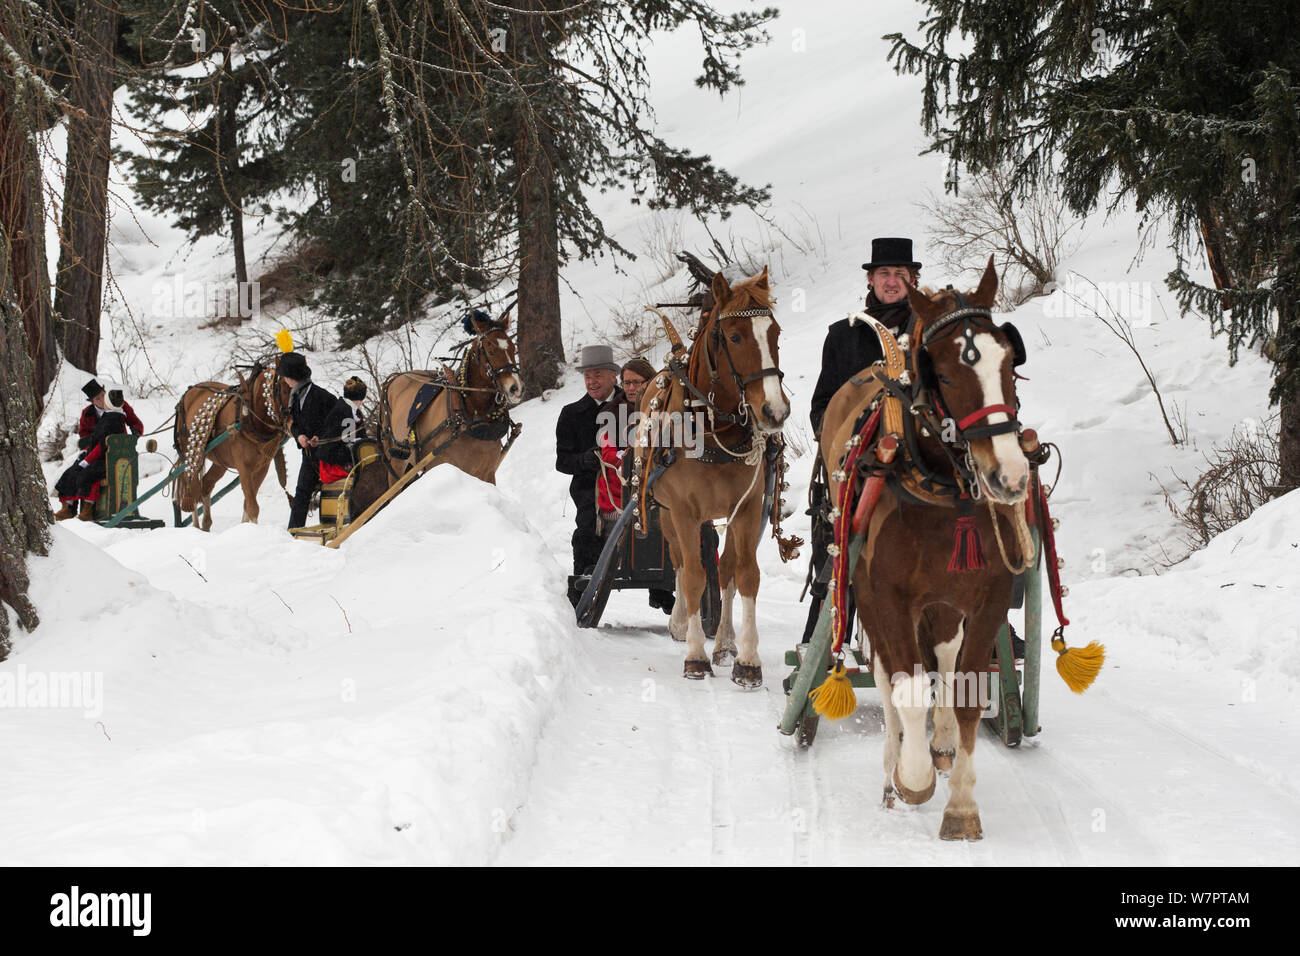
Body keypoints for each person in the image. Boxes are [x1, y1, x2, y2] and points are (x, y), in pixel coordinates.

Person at [802, 237, 923, 642]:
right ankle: (822, 644)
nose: (892, 281)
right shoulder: (843, 335)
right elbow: (821, 407)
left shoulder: (928, 330)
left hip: (920, 459)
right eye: (885, 274)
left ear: (913, 280)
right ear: (870, 280)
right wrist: (840, 441)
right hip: (856, 464)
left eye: (900, 275)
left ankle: (990, 627)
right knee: (835, 544)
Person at [556, 345, 625, 606]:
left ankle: (660, 587)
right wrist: (585, 460)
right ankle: (582, 589)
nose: (591, 382)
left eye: (597, 375)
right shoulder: (571, 414)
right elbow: (562, 461)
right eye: (587, 377)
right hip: (590, 488)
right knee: (587, 528)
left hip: (630, 484)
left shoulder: (632, 406)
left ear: (613, 376)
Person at [280, 351, 340, 529]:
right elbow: (294, 424)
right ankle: (293, 532)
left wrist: (320, 437)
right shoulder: (295, 398)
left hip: (329, 456)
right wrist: (299, 436)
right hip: (309, 457)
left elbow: (338, 423)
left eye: (285, 377)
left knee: (331, 493)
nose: (284, 380)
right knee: (301, 493)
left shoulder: (324, 397)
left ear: (292, 378)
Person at [53, 388, 131, 520]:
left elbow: (102, 444)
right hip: (98, 454)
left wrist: (87, 461)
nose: (101, 401)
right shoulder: (110, 416)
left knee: (86, 474)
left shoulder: (111, 419)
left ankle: (87, 509)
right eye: (98, 398)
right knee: (70, 473)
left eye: (103, 398)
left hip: (105, 458)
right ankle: (68, 507)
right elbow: (92, 438)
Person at [317, 377, 369, 484]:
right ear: (358, 399)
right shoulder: (343, 411)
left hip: (347, 457)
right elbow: (345, 443)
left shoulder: (353, 411)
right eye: (361, 400)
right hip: (332, 465)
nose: (362, 403)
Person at [77, 377, 143, 448]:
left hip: (120, 445)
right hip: (98, 447)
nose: (102, 400)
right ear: (93, 402)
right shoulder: (87, 413)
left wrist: (136, 431)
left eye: (103, 395)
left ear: (106, 392)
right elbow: (84, 433)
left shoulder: (119, 404)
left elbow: (134, 421)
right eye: (98, 399)